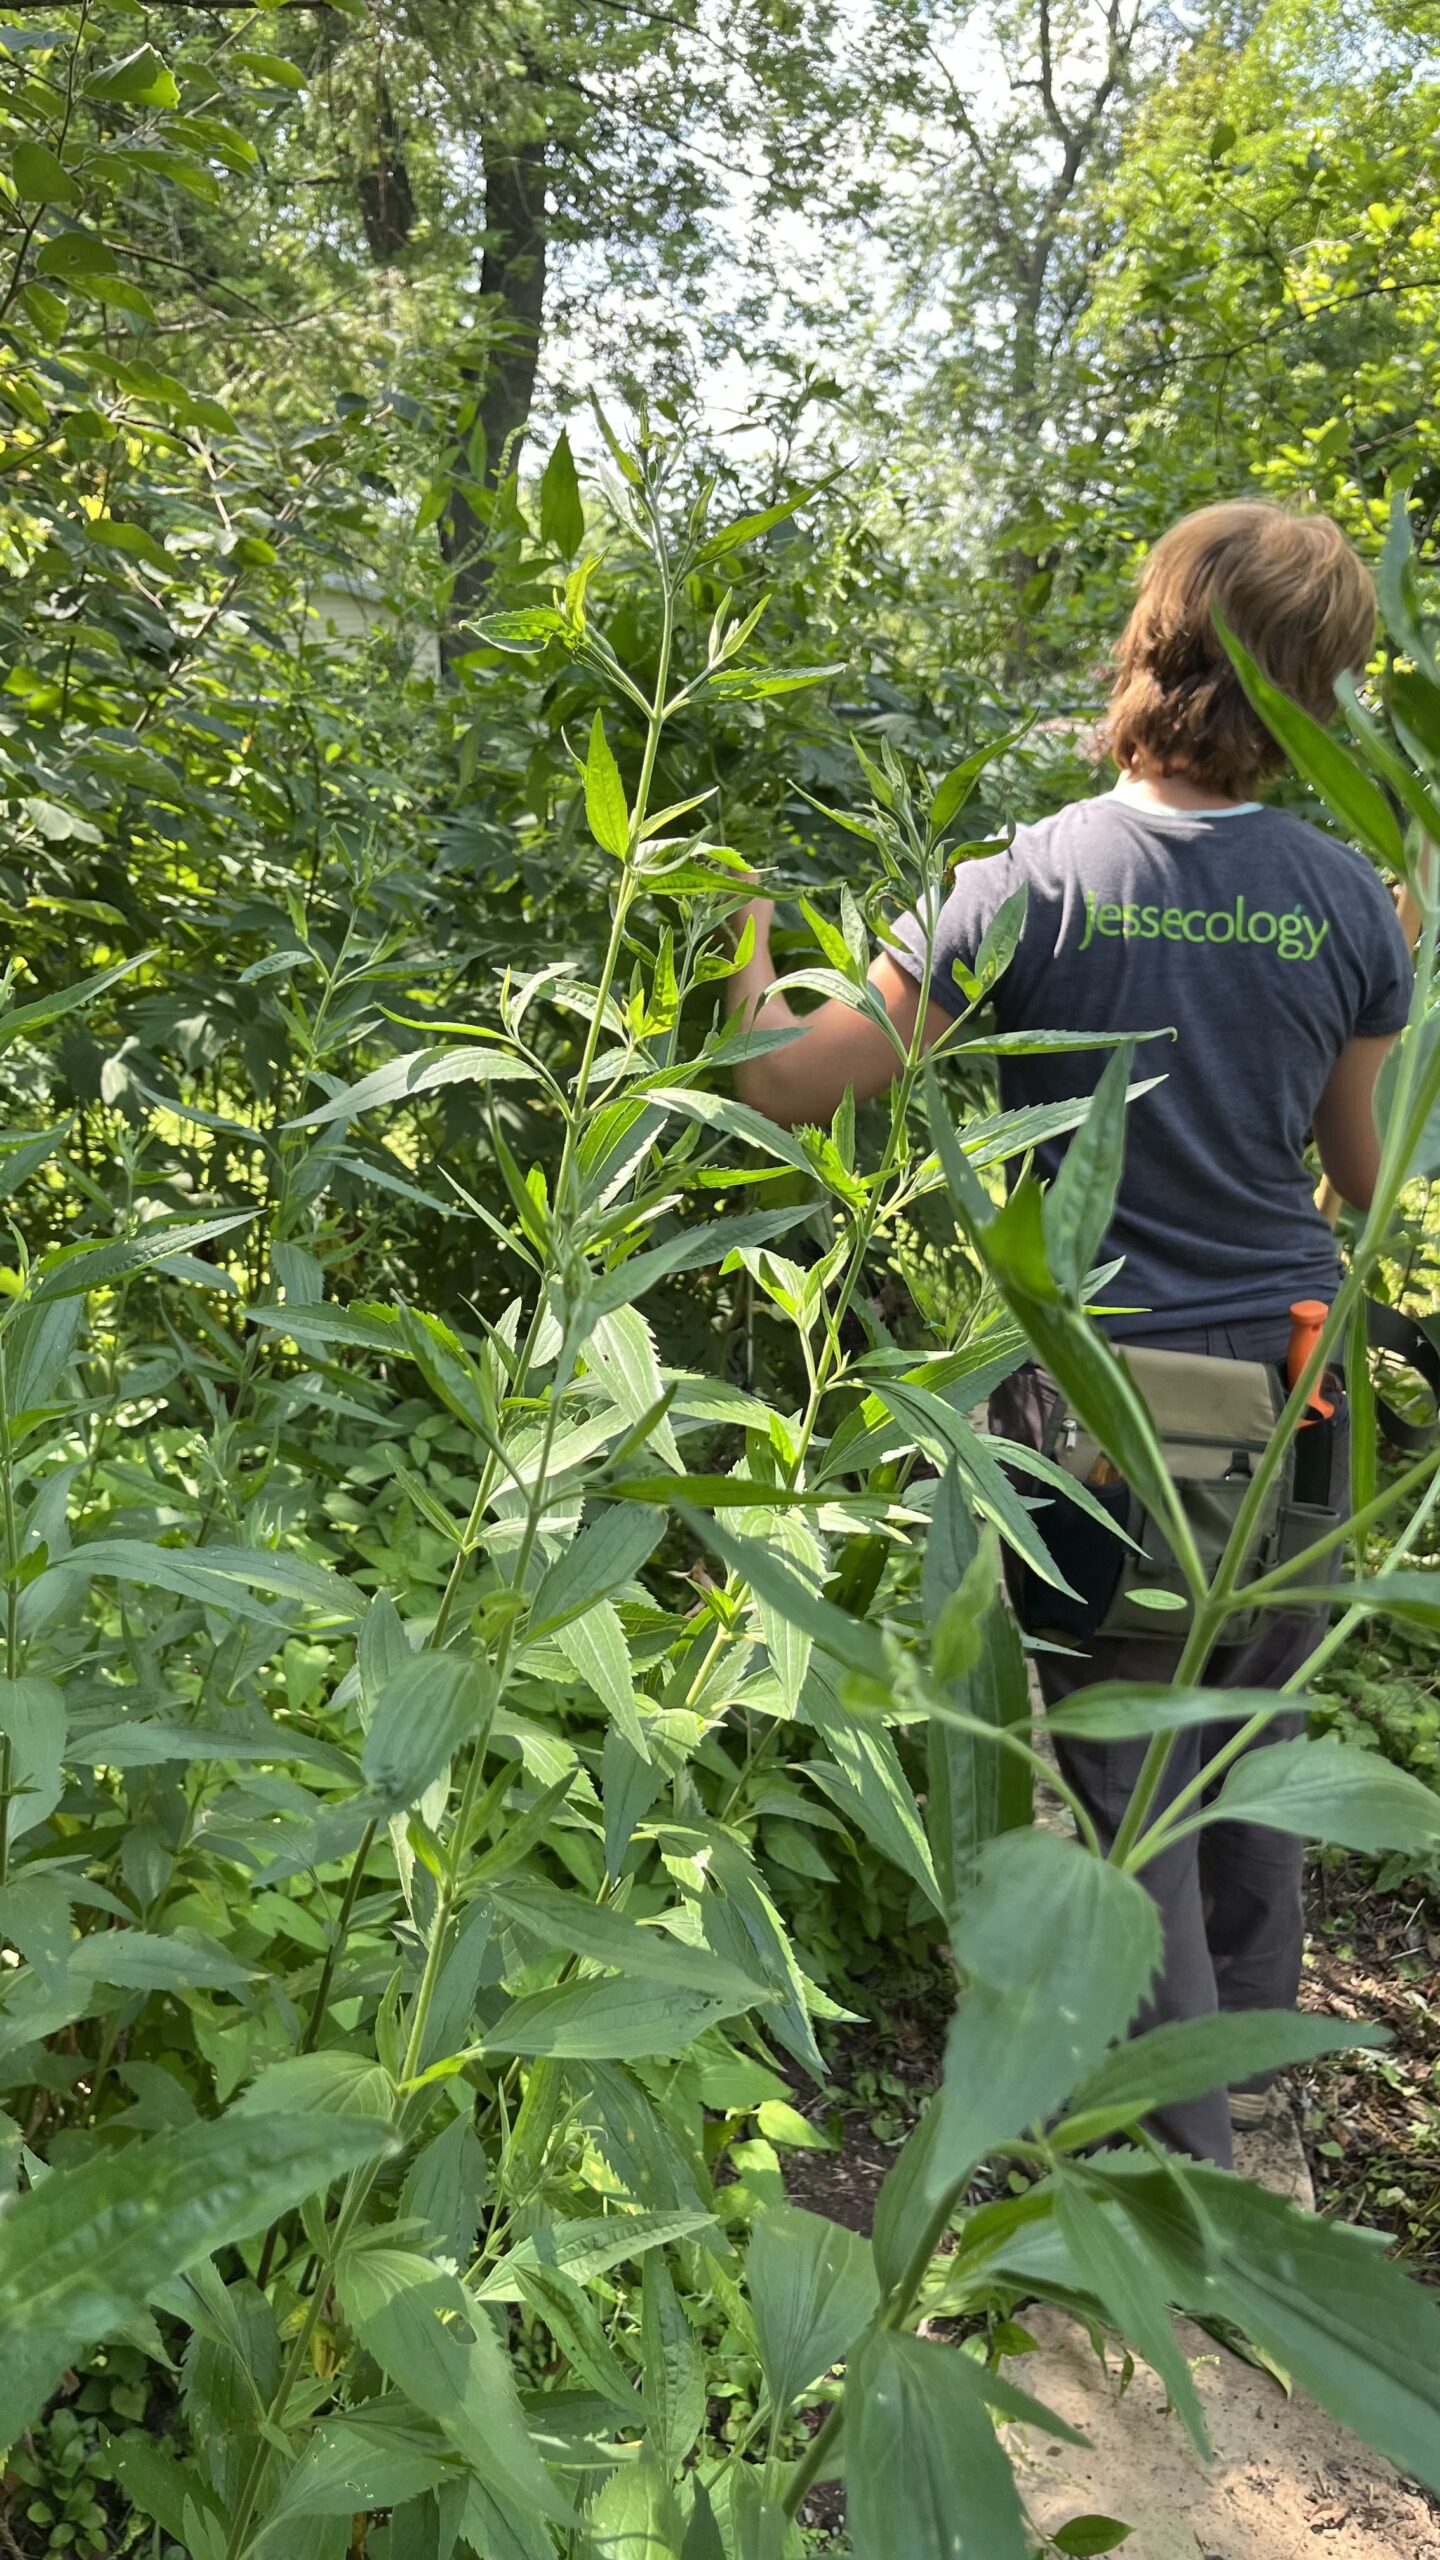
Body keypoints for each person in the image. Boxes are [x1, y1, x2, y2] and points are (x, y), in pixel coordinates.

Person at [724, 501, 1415, 2169]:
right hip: (1298, 1377)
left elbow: (790, 1084)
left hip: (1108, 1401)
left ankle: (1183, 2163)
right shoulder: (1348, 900)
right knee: (1250, 1727)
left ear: (1149, 640)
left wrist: (743, 951)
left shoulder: (1024, 882)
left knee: (1128, 1777)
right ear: (1317, 692)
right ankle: (1255, 2082)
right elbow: (1364, 1176)